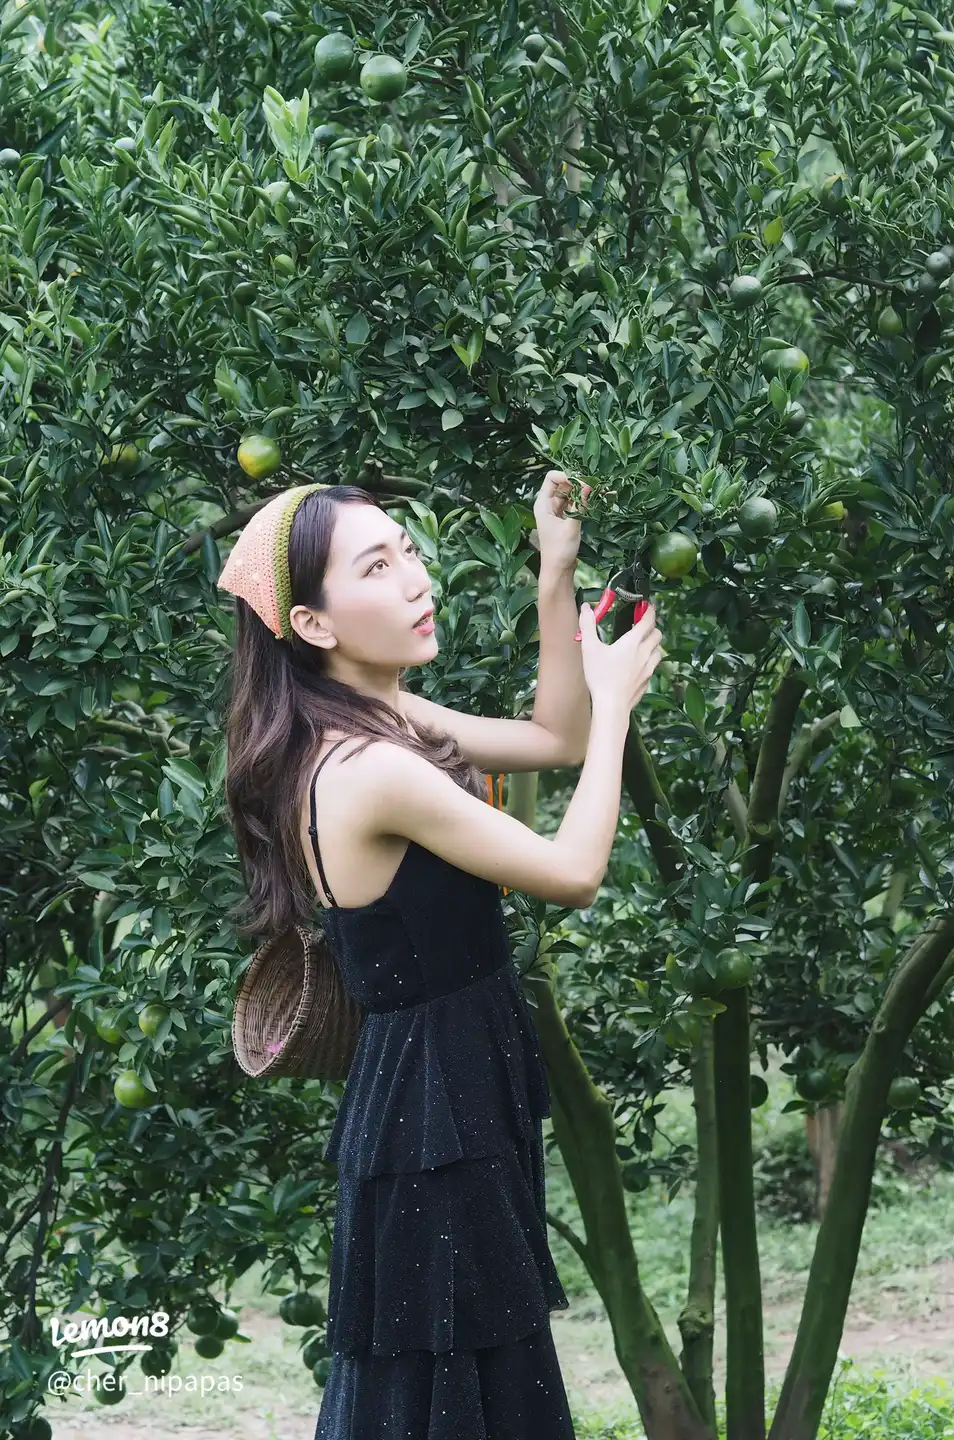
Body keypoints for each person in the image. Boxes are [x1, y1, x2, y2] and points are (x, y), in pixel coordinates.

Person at [215, 476, 663, 1439]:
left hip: (448, 1093)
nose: (417, 580)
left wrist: (556, 571)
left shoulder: (385, 723)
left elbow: (552, 735)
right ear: (314, 622)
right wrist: (618, 698)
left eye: (408, 552)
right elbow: (575, 870)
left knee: (461, 1382)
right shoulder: (367, 768)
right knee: (457, 1389)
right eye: (377, 567)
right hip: (434, 1116)